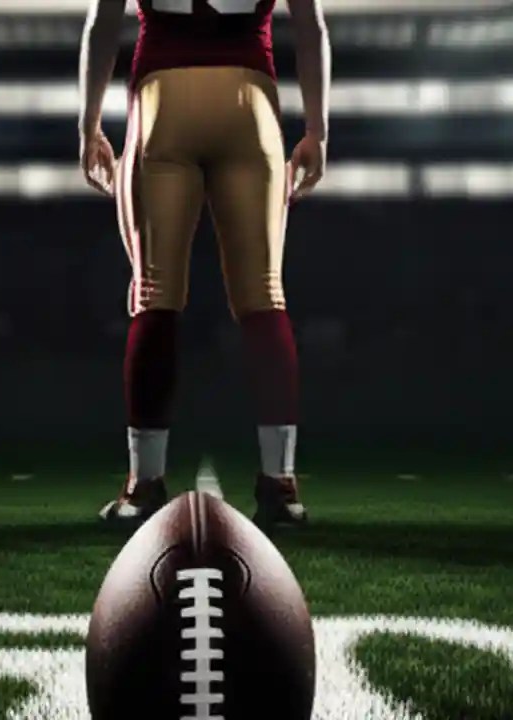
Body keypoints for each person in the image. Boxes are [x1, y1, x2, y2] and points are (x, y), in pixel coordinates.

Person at [77, 0, 329, 529]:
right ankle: (280, 483)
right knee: (264, 296)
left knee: (154, 295)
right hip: (249, 103)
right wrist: (318, 131)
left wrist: (89, 126)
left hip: (163, 97)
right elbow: (310, 25)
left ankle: (143, 484)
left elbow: (102, 22)